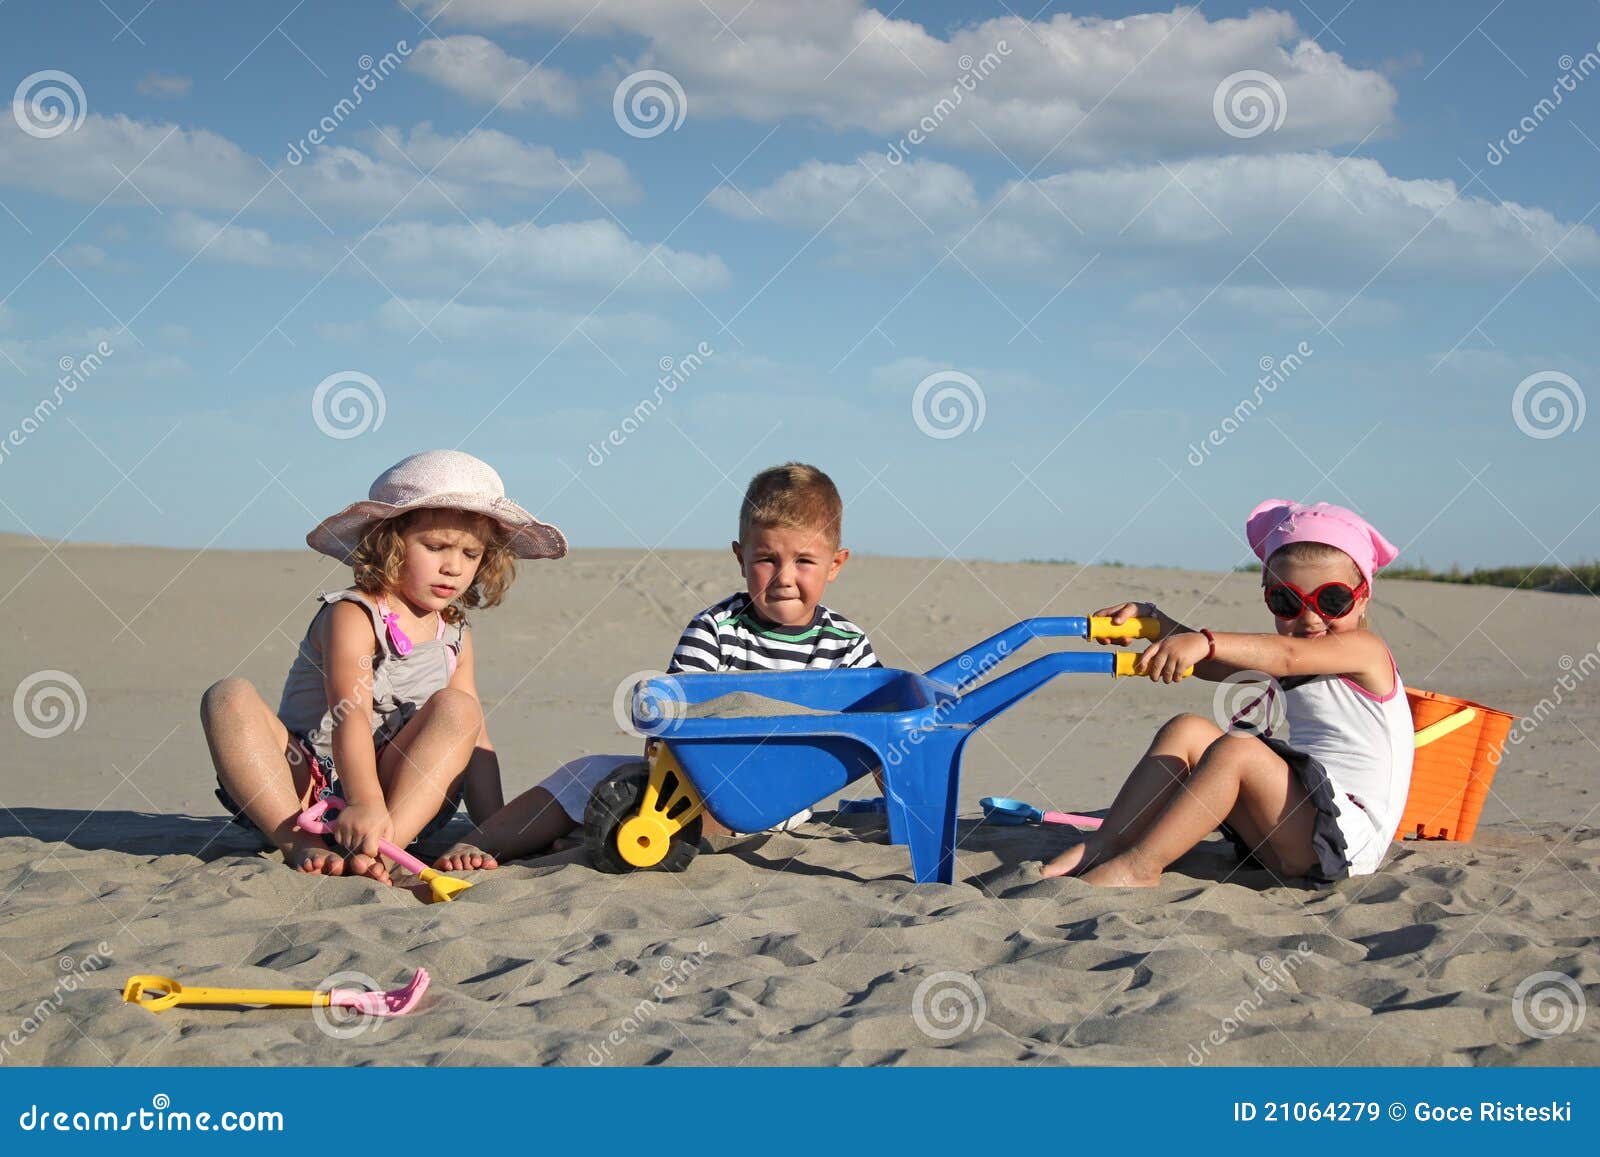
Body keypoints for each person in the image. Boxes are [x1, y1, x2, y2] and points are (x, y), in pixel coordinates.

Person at [436, 462, 879, 869]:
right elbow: (675, 721)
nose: (784, 577)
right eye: (767, 559)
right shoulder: (717, 629)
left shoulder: (846, 645)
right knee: (587, 774)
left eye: (804, 561)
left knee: (643, 815)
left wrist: (904, 806)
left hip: (776, 802)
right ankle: (482, 842)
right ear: (740, 557)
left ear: (835, 564)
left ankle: (591, 838)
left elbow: (885, 731)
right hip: (695, 782)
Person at [200, 449, 566, 881]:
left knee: (462, 709)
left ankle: (382, 856)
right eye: (435, 547)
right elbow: (349, 714)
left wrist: (494, 833)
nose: (453, 567)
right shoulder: (354, 615)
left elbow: (475, 744)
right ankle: (300, 845)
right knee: (227, 696)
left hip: (399, 802)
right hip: (301, 790)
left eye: (471, 554)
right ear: (388, 543)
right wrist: (361, 801)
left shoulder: (455, 634)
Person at [1042, 499, 1413, 888]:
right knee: (1187, 730)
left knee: (1239, 748)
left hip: (1346, 843)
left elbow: (1285, 656)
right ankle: (1107, 841)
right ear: (1268, 595)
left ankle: (1140, 867)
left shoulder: (1365, 650)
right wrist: (1156, 623)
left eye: (1332, 600)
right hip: (1287, 828)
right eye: (1287, 601)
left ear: (1363, 597)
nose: (1310, 617)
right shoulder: (1302, 653)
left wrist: (1205, 641)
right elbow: (1211, 664)